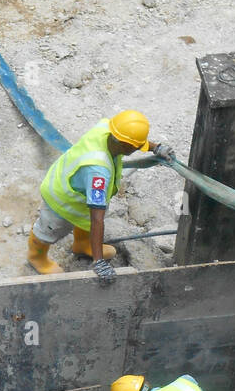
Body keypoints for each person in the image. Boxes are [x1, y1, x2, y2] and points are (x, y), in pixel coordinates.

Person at [28, 108, 174, 280]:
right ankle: (36, 257)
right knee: (48, 229)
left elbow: (129, 138)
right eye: (136, 147)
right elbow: (97, 218)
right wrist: (99, 262)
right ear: (124, 145)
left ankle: (82, 244)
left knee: (84, 221)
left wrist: (155, 147)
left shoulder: (107, 128)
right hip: (61, 199)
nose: (138, 149)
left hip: (77, 188)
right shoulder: (98, 172)